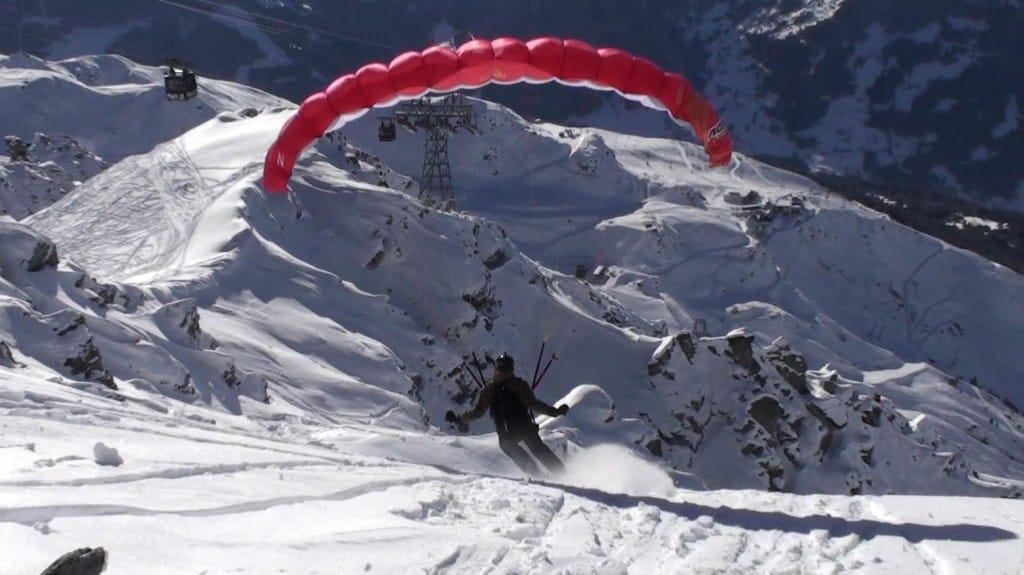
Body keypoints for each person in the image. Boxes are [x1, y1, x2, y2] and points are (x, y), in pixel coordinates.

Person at [446, 352, 569, 477]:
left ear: (496, 368)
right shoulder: (518, 384)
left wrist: (458, 419)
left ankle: (537, 475)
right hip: (525, 427)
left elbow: (477, 413)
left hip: (506, 434)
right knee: (539, 450)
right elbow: (533, 404)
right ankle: (562, 474)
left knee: (508, 446)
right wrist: (555, 412)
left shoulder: (489, 390)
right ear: (511, 368)